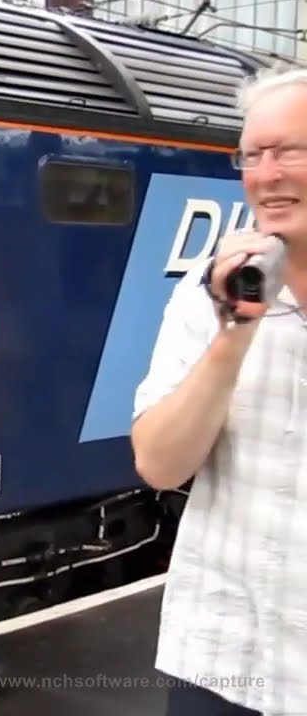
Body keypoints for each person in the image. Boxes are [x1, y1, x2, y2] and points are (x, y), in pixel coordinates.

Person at [131, 64, 307, 716]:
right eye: (252, 155)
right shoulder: (207, 291)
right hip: (223, 657)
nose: (266, 174)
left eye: (289, 150)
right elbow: (159, 463)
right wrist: (233, 331)